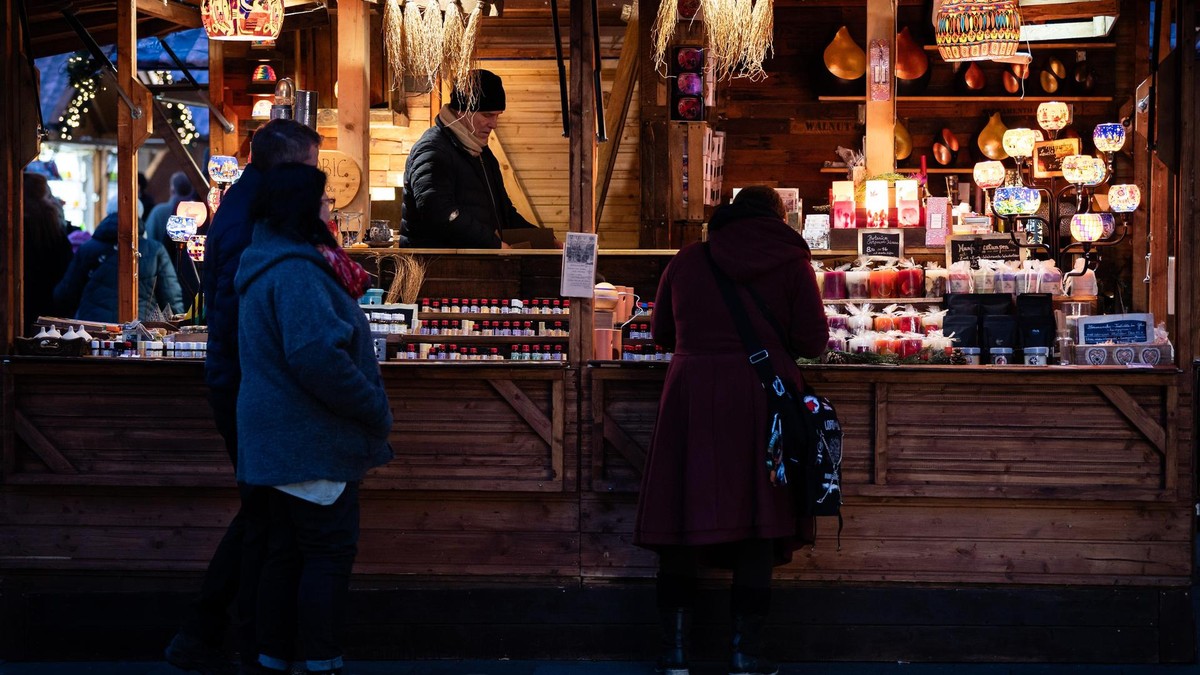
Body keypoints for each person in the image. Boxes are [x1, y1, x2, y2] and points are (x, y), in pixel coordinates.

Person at [633, 186, 828, 675]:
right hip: (762, 395)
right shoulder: (791, 261)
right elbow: (813, 341)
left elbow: (662, 334)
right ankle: (745, 652)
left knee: (681, 514)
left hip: (692, 393)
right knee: (760, 519)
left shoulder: (688, 260)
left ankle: (675, 652)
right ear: (779, 218)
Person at [164, 118, 321, 675]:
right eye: (310, 168)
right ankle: (224, 636)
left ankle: (223, 635)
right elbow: (252, 306)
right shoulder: (255, 217)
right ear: (287, 166)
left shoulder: (244, 207)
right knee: (266, 514)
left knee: (265, 512)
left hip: (240, 377)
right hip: (246, 381)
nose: (316, 182)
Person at [236, 162, 392, 675]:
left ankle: (272, 660)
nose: (331, 212)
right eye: (326, 203)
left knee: (284, 555)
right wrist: (373, 406)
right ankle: (322, 662)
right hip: (310, 442)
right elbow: (316, 357)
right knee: (326, 555)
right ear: (303, 208)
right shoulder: (298, 270)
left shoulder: (267, 261)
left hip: (280, 442)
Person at [400, 69, 541, 248]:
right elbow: (440, 214)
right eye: (487, 115)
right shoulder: (432, 150)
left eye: (497, 115)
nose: (494, 124)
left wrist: (544, 241)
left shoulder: (482, 153)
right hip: (437, 268)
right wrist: (494, 245)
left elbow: (505, 214)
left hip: (472, 265)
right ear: (463, 111)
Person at [53, 195, 183, 322]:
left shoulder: (87, 249)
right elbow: (171, 298)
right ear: (139, 216)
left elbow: (65, 295)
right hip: (139, 331)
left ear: (108, 213)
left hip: (93, 329)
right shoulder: (155, 250)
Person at [22, 173, 74, 333]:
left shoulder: (16, 223)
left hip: (22, 302)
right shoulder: (52, 224)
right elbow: (66, 269)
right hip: (50, 307)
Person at [145, 171, 203, 312]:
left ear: (172, 189)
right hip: (194, 276)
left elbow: (151, 245)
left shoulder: (158, 213)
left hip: (168, 277)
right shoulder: (201, 212)